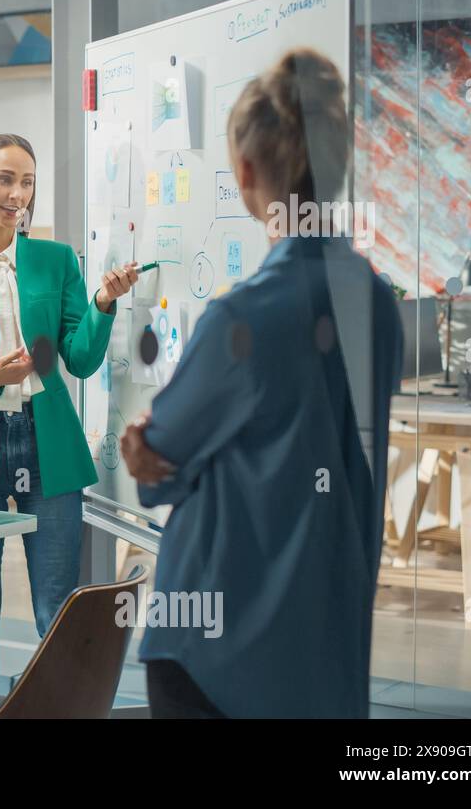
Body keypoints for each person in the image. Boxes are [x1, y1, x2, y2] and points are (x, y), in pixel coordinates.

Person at [120, 48, 402, 718]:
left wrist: (143, 452)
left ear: (245, 172)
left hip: (218, 659)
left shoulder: (241, 318)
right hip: (327, 655)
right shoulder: (379, 302)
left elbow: (157, 471)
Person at [0, 133, 138, 693]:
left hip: (47, 440)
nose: (18, 194)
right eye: (5, 179)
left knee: (57, 611)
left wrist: (102, 306)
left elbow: (80, 360)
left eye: (28, 182)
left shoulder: (55, 260)